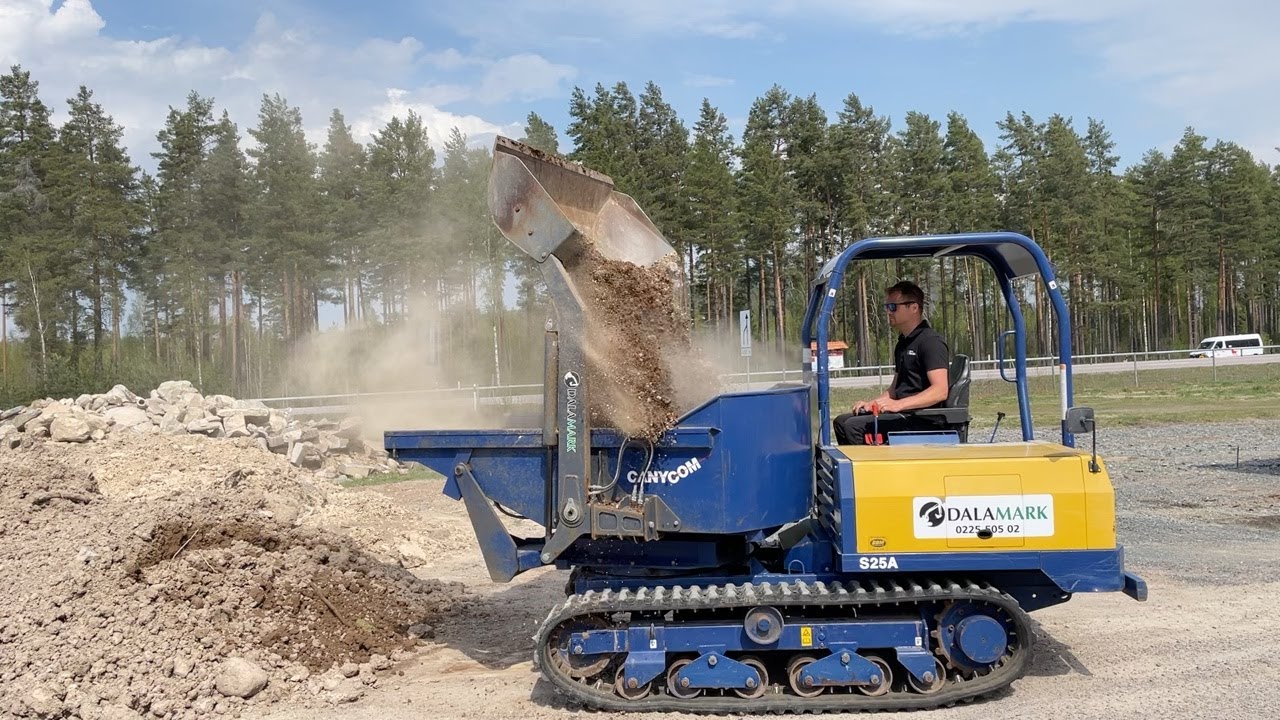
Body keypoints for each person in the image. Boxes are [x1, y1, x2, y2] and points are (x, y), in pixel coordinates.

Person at [834, 281, 951, 445]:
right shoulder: (903, 343)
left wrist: (898, 405)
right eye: (887, 307)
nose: (888, 311)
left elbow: (940, 391)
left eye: (893, 307)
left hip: (922, 417)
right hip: (904, 412)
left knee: (854, 427)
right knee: (841, 422)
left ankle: (872, 470)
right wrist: (872, 404)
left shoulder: (930, 342)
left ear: (914, 308)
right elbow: (894, 389)